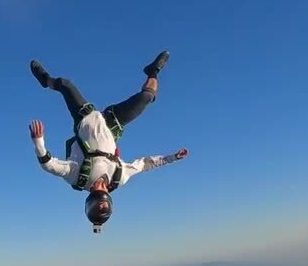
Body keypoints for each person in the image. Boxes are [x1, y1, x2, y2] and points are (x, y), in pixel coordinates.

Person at [27, 50, 189, 233]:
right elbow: (145, 164)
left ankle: (45, 80)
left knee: (65, 84)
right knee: (147, 97)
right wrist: (172, 157)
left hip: (85, 118)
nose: (100, 185)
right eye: (103, 190)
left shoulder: (77, 177)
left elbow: (49, 166)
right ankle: (153, 71)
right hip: (113, 124)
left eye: (95, 191)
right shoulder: (119, 178)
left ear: (90, 197)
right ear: (108, 195)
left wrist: (38, 142)